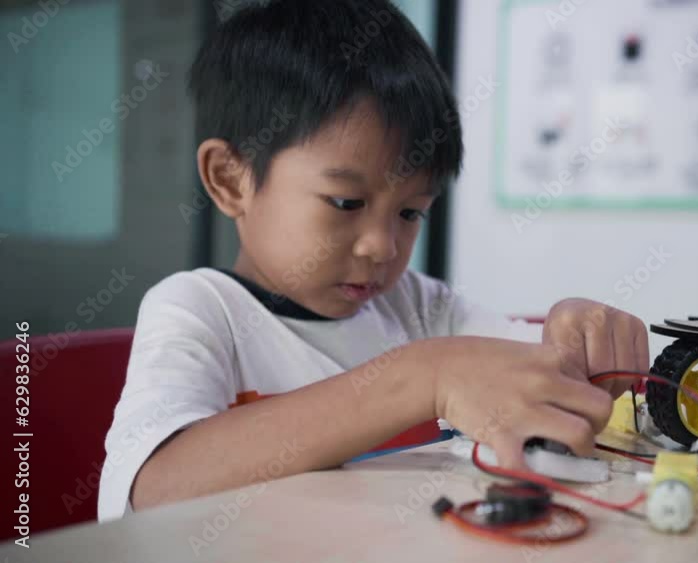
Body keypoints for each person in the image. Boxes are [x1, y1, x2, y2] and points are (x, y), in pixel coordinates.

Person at [97, 0, 649, 520]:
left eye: (410, 213)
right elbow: (153, 487)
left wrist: (576, 332)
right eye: (347, 203)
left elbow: (537, 369)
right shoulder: (201, 310)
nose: (382, 247)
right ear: (229, 178)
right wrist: (422, 376)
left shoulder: (420, 310)